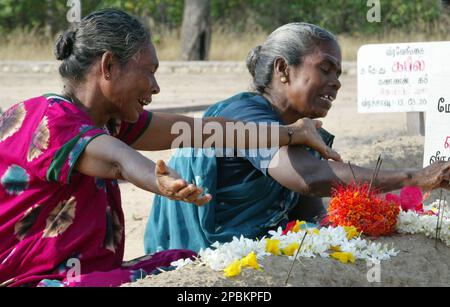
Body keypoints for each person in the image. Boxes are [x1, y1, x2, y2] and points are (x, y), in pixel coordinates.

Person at [0, 10, 340, 287]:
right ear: (108, 66)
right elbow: (118, 162)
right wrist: (158, 181)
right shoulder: (48, 118)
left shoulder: (113, 120)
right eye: (148, 73)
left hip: (83, 272)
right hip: (32, 280)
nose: (156, 87)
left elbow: (204, 132)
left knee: (187, 263)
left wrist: (291, 134)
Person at [144, 22, 450, 254]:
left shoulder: (301, 132)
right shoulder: (244, 114)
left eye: (338, 74)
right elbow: (308, 178)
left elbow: (310, 215)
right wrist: (414, 177)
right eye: (325, 69)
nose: (336, 83)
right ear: (282, 69)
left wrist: (371, 221)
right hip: (196, 258)